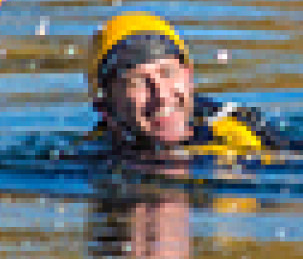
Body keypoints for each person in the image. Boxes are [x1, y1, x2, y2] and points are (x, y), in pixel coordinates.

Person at [86, 11, 286, 159]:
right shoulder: (85, 162)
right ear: (104, 106)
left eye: (168, 73)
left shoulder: (240, 139)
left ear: (189, 78)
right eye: (137, 81)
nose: (162, 96)